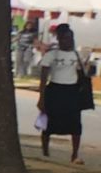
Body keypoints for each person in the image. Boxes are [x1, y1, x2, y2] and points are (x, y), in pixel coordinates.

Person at [36, 23, 91, 162]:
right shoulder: (51, 55)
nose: (68, 41)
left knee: (75, 124)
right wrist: (41, 97)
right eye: (65, 38)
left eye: (70, 38)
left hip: (71, 92)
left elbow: (81, 74)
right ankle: (45, 151)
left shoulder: (77, 55)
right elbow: (43, 78)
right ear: (59, 39)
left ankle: (75, 154)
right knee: (49, 123)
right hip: (55, 90)